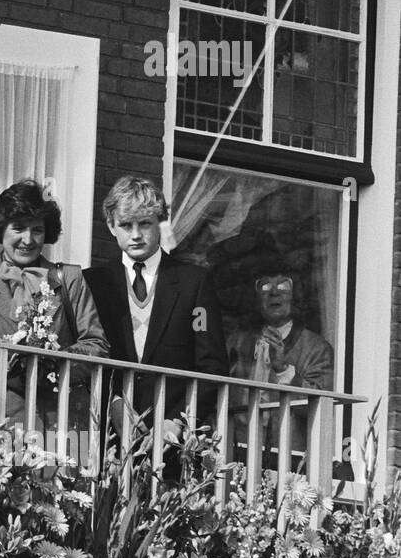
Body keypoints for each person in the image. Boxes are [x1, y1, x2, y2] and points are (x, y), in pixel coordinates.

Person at [0, 180, 107, 446]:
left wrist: (51, 364)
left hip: (62, 420)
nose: (28, 240)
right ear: (1, 229)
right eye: (18, 228)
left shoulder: (69, 278)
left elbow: (96, 345)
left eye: (37, 230)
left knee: (69, 488)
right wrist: (5, 365)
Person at [84, 175, 228, 441]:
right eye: (126, 225)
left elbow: (212, 366)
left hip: (171, 441)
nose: (136, 235)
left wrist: (179, 421)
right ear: (111, 226)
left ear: (161, 224)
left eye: (145, 224)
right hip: (105, 437)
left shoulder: (194, 283)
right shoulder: (92, 283)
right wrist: (112, 403)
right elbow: (83, 362)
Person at [228, 258, 333, 468]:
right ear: (255, 297)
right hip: (237, 453)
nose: (274, 292)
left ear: (296, 294)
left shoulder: (317, 348)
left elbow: (320, 409)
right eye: (264, 285)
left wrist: (283, 369)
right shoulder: (235, 343)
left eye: (284, 284)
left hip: (289, 461)